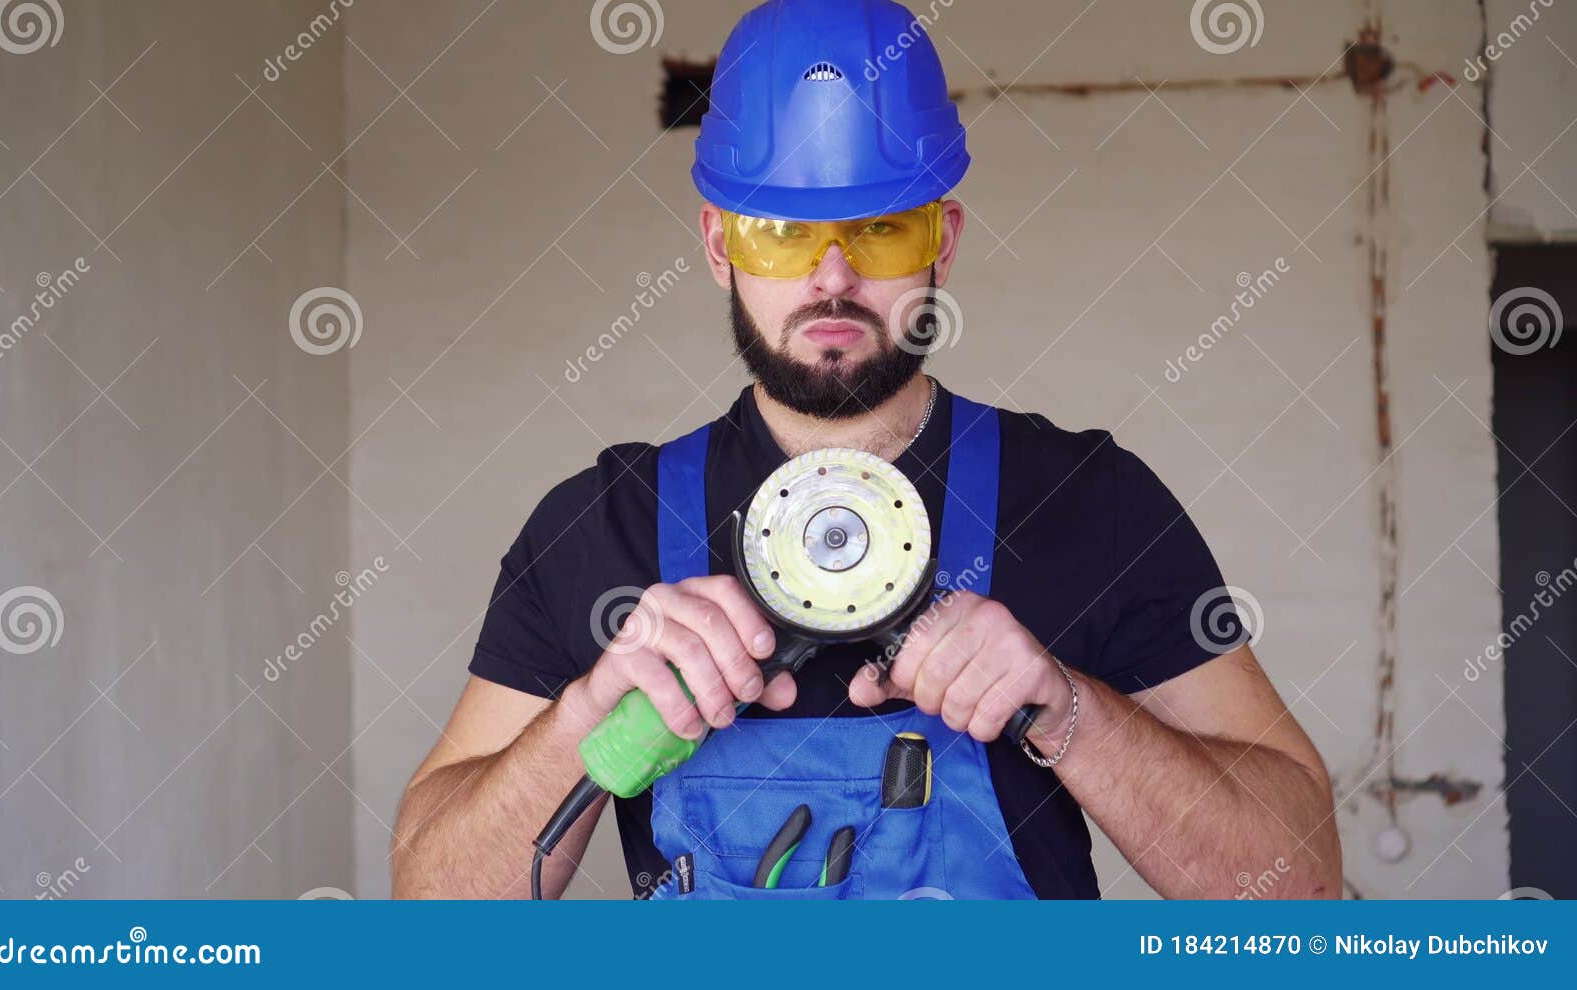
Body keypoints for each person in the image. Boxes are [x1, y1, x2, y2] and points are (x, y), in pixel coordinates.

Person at [391, 0, 1340, 900]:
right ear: (720, 244)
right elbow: (429, 908)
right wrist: (589, 718)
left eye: (881, 231)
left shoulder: (1093, 503)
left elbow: (1299, 889)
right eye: (783, 234)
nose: (832, 278)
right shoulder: (603, 526)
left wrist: (1066, 712)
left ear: (944, 242)